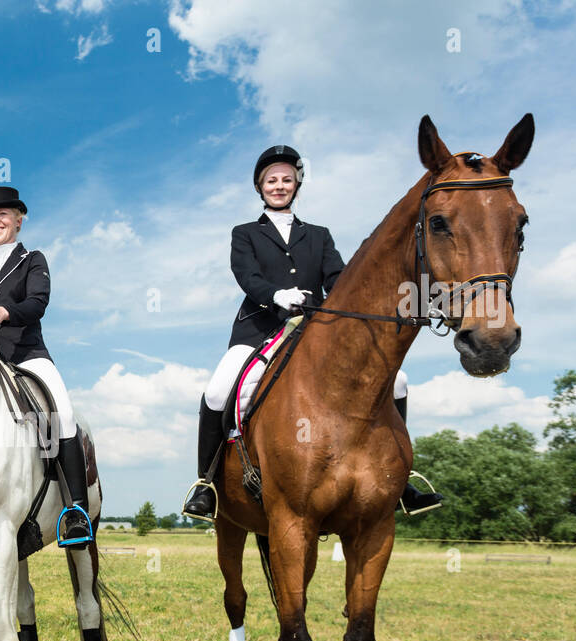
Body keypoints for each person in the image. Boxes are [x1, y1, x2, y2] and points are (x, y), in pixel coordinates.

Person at [182, 146, 441, 519]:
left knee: (396, 380)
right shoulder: (245, 234)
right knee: (219, 388)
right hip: (259, 329)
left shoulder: (318, 235)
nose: (279, 185)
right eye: (272, 180)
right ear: (260, 186)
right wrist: (276, 295)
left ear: (297, 185)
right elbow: (247, 276)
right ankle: (206, 483)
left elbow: (339, 278)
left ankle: (399, 479)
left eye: (287, 179)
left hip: (313, 329)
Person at [0, 185, 92, 548]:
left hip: (28, 354)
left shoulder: (33, 259)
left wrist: (5, 312)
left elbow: (38, 303)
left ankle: (76, 511)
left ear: (18, 220)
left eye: (2, 214)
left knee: (62, 414)